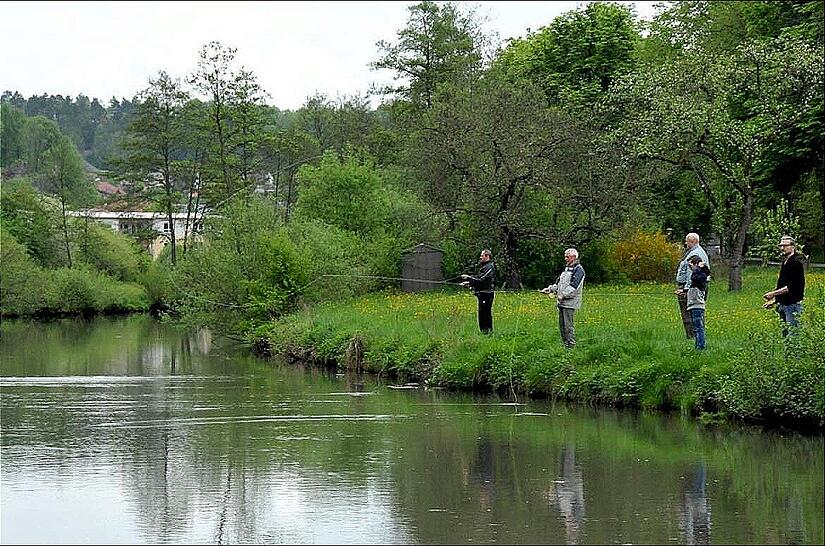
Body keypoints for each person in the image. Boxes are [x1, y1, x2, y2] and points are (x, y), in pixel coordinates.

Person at [540, 248, 586, 348]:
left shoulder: (579, 270)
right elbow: (558, 284)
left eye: (567, 256)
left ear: (574, 257)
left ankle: (571, 347)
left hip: (570, 303)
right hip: (561, 302)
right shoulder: (565, 269)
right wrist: (550, 289)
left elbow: (574, 286)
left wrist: (562, 295)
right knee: (562, 326)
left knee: (568, 326)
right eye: (565, 256)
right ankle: (566, 346)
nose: (565, 258)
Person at [763, 236, 805, 336]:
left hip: (792, 305)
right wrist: (775, 300)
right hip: (783, 304)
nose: (782, 248)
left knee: (793, 335)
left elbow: (792, 287)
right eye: (781, 246)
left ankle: (795, 352)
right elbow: (783, 284)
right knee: (786, 335)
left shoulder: (796, 263)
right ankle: (788, 352)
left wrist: (773, 294)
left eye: (785, 245)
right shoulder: (785, 262)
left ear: (793, 247)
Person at [675, 233, 710, 339]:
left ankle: (693, 337)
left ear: (692, 241)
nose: (685, 243)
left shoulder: (695, 254)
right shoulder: (698, 252)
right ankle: (696, 337)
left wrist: (685, 290)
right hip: (694, 287)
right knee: (694, 313)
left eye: (687, 241)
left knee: (690, 314)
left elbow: (692, 274)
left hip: (692, 289)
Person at [460, 249, 496, 334]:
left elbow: (481, 279)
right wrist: (469, 283)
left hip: (487, 294)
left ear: (487, 256)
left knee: (486, 314)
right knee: (481, 314)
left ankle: (488, 332)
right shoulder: (484, 267)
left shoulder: (490, 267)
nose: (480, 257)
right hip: (481, 294)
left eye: (482, 255)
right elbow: (478, 278)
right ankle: (484, 332)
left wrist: (468, 277)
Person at [686, 255, 710, 350]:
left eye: (691, 265)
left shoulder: (700, 276)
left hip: (697, 306)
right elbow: (693, 286)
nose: (690, 268)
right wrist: (684, 291)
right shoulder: (699, 276)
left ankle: (700, 347)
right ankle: (698, 346)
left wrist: (700, 267)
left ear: (696, 264)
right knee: (696, 328)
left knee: (699, 328)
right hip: (693, 305)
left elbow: (694, 278)